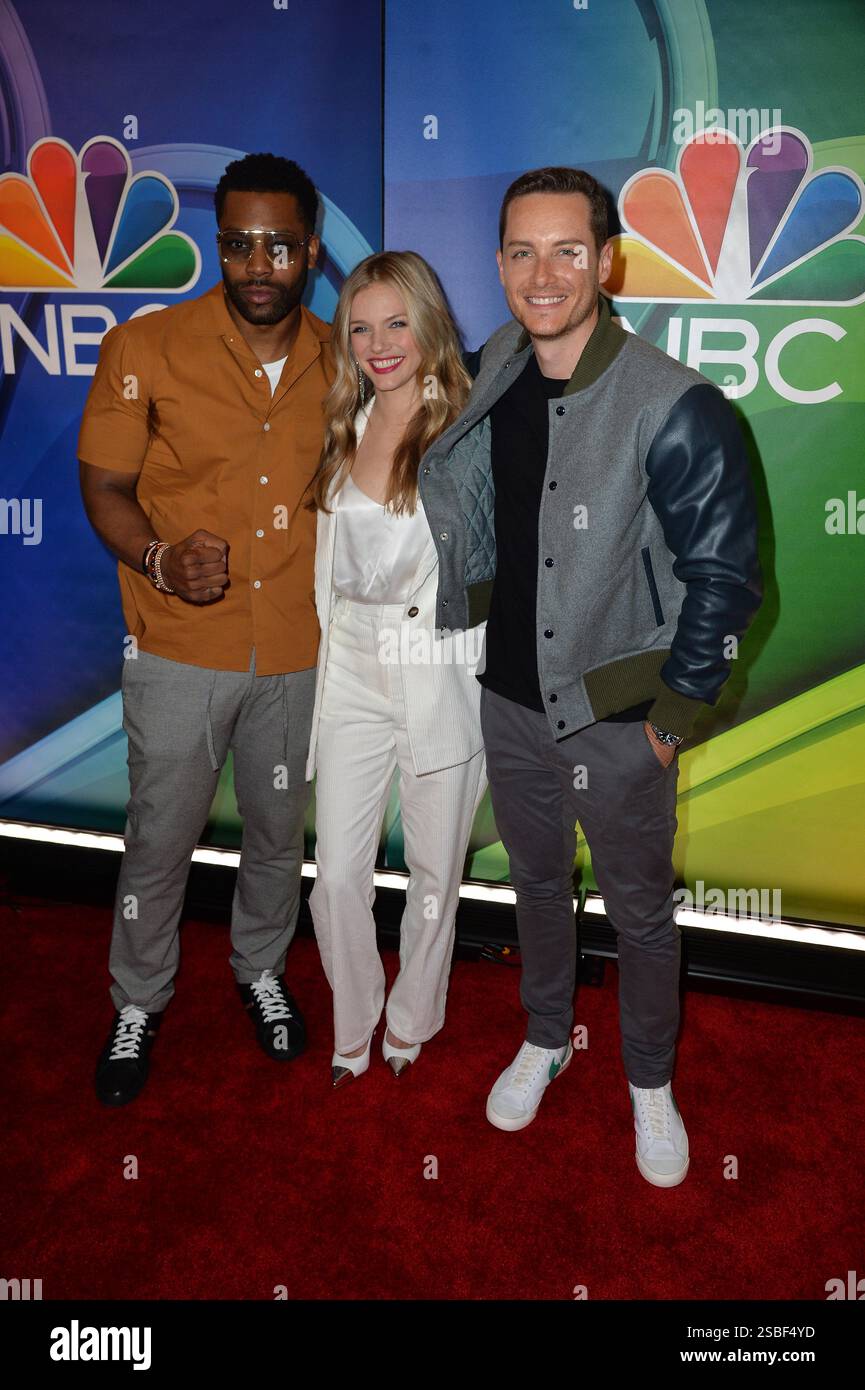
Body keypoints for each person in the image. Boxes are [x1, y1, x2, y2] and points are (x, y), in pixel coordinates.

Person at [417, 167, 762, 1186]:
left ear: (607, 259)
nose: (544, 272)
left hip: (617, 721)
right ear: (498, 264)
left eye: (568, 249)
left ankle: (648, 1082)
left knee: (640, 911)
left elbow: (727, 580)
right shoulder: (487, 367)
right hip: (507, 698)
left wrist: (668, 723)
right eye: (522, 251)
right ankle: (543, 1034)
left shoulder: (677, 403)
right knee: (532, 886)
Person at [78, 153, 334, 1105]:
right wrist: (155, 560)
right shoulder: (145, 349)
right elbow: (104, 487)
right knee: (159, 839)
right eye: (237, 245)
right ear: (216, 247)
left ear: (309, 248)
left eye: (277, 245)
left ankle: (259, 969)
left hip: (301, 651)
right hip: (181, 649)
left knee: (276, 834)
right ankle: (138, 998)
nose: (257, 265)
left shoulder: (345, 355)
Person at [305, 251, 487, 1087]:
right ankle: (353, 1022)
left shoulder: (470, 424)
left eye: (396, 322)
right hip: (347, 666)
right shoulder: (339, 420)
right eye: (361, 327)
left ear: (428, 322)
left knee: (432, 875)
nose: (379, 344)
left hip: (438, 669)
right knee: (337, 876)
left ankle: (411, 1021)